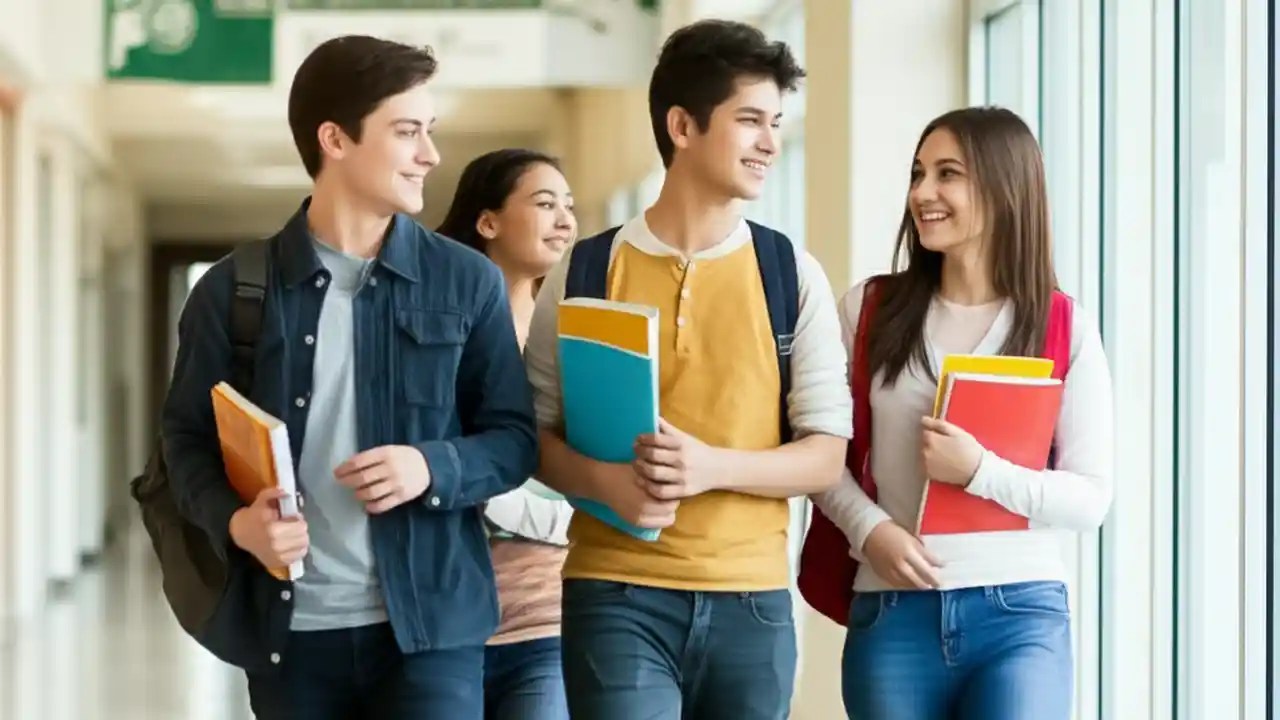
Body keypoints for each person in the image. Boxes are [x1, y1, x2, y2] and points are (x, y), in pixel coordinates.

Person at [161, 35, 537, 720]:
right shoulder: (233, 291)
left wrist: (431, 466)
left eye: (431, 131)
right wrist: (239, 525)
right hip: (291, 636)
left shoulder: (468, 281)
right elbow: (183, 441)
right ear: (334, 139)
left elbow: (514, 439)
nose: (431, 154)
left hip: (432, 634)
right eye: (407, 131)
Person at [524, 19, 852, 720]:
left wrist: (709, 467)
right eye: (750, 120)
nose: (769, 142)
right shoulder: (585, 269)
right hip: (614, 593)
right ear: (682, 125)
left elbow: (825, 456)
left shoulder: (790, 274)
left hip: (753, 602)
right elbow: (533, 433)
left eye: (776, 122)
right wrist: (604, 482)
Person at [811, 106, 1114, 720]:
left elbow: (1090, 499)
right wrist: (871, 529)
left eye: (947, 174)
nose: (923, 193)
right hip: (893, 609)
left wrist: (979, 470)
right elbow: (819, 454)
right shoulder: (867, 311)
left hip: (1020, 615)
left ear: (1005, 189)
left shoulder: (1062, 326)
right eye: (918, 173)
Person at [436, 148, 577, 720]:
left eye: (569, 206)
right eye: (545, 204)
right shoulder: (439, 335)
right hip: (447, 622)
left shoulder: (574, 336)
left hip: (546, 620)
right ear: (487, 221)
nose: (566, 220)